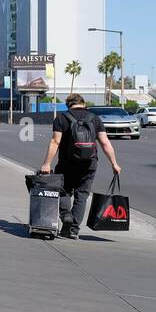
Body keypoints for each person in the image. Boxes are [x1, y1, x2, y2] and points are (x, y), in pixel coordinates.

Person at [38, 93, 121, 239]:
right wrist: (114, 163)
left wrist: (47, 163)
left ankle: (66, 216)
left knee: (62, 190)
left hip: (66, 164)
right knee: (81, 195)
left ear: (68, 105)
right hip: (89, 164)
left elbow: (55, 142)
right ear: (83, 103)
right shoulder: (94, 118)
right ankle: (73, 230)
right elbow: (105, 143)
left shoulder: (61, 118)